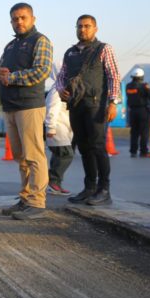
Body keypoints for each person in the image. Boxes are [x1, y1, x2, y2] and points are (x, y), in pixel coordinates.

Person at [0, 2, 53, 220]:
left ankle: (37, 202)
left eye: (23, 18)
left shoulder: (40, 41)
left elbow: (42, 71)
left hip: (29, 105)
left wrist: (11, 78)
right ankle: (26, 198)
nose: (19, 22)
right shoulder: (10, 46)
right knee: (21, 156)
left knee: (34, 154)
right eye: (15, 19)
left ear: (32, 19)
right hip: (10, 106)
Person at [56, 14, 120, 206]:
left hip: (96, 105)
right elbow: (62, 76)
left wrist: (113, 102)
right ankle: (89, 188)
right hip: (76, 105)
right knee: (84, 148)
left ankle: (104, 190)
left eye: (87, 26)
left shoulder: (103, 49)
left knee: (98, 147)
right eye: (79, 26)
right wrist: (61, 91)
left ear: (95, 28)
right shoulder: (70, 52)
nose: (82, 29)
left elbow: (113, 76)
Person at [45, 64, 74, 196]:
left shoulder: (62, 89)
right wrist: (50, 127)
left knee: (58, 156)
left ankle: (55, 183)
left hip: (62, 129)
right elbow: (51, 109)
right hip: (57, 129)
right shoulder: (57, 90)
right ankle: (53, 182)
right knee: (66, 154)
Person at [125, 67, 150, 158]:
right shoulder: (144, 86)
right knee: (144, 132)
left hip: (132, 112)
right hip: (143, 111)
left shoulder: (128, 86)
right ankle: (143, 151)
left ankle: (133, 151)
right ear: (142, 77)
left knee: (134, 132)